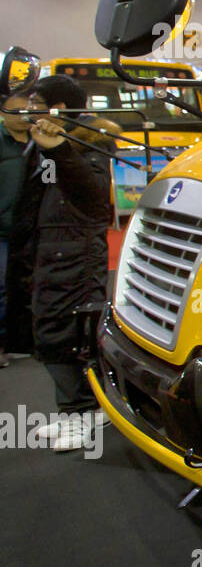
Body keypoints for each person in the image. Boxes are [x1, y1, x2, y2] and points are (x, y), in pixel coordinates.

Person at [20, 74, 117, 451]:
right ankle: (78, 408)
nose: (27, 112)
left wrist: (60, 149)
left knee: (69, 331)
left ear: (57, 108)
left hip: (74, 252)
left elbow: (94, 201)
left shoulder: (84, 143)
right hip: (50, 250)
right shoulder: (39, 144)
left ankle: (81, 410)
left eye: (34, 105)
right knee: (50, 329)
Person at [0, 93, 30, 367]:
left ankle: (21, 341)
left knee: (25, 285)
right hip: (2, 229)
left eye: (27, 110)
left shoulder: (39, 141)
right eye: (16, 111)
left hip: (30, 230)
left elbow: (50, 177)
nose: (22, 116)